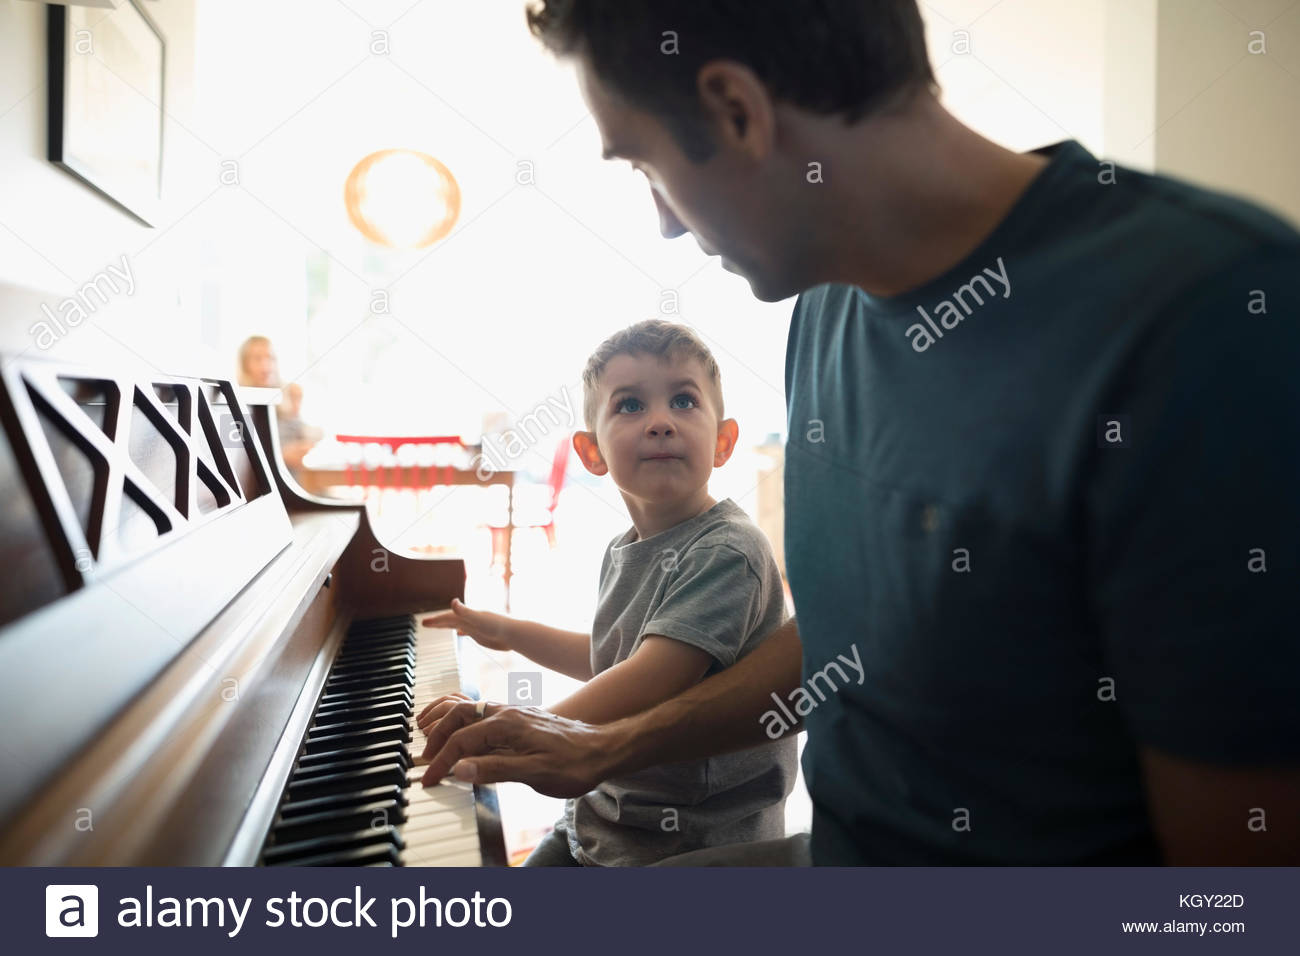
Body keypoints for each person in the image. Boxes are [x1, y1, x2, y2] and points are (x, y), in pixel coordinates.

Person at [421, 0, 1300, 865]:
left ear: (739, 112)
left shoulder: (1210, 320)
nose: (665, 220)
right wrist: (611, 747)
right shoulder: (827, 304)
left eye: (645, 164)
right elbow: (850, 635)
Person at [417, 320, 796, 866]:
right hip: (606, 817)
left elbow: (656, 675)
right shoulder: (625, 547)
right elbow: (612, 656)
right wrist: (507, 632)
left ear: (723, 442)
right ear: (591, 453)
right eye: (631, 406)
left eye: (684, 401)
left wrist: (515, 728)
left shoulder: (728, 551)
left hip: (687, 844)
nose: (661, 422)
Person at [237, 335, 321, 474]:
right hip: (261, 485)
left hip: (293, 479)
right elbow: (236, 457)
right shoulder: (233, 403)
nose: (266, 366)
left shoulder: (285, 397)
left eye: (270, 358)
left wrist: (307, 442)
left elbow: (310, 433)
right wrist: (281, 456)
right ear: (244, 364)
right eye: (258, 359)